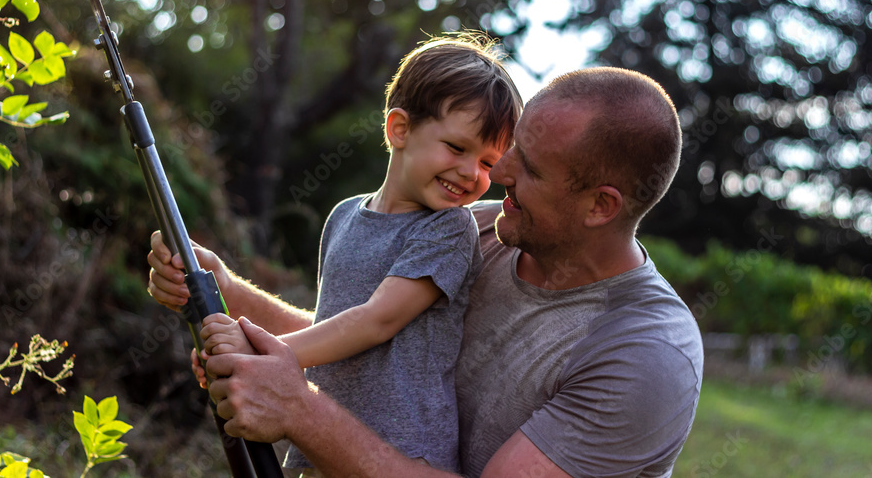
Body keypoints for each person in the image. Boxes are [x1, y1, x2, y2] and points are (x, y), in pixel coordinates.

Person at [148, 65, 704, 478]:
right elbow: (365, 330)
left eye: (525, 164)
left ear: (600, 206)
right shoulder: (490, 229)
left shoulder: (646, 354)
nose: (497, 172)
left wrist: (297, 406)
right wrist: (226, 293)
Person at [162, 34, 522, 475]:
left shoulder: (448, 228)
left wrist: (260, 357)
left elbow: (377, 320)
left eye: (488, 163)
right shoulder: (344, 215)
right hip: (320, 448)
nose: (471, 173)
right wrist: (244, 334)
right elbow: (331, 325)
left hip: (401, 451)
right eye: (457, 148)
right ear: (400, 129)